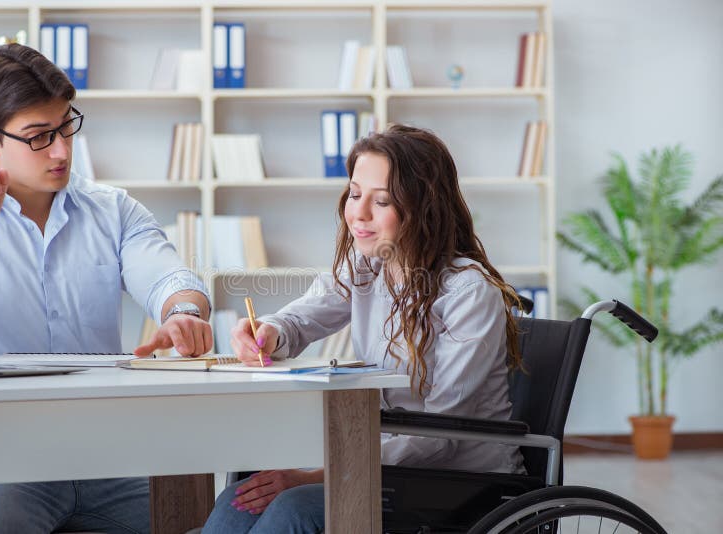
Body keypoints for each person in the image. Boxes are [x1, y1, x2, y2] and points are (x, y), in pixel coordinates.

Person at [0, 43, 212, 534]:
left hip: (107, 457)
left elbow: (170, 278)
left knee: (199, 509)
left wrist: (182, 312)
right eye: (39, 137)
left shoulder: (113, 210)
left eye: (65, 127)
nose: (61, 150)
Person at [201, 124, 526, 534]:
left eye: (383, 200)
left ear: (424, 206)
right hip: (384, 464)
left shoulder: (467, 292)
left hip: (458, 480)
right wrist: (269, 331)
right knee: (239, 501)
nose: (359, 213)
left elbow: (440, 436)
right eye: (355, 195)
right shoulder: (367, 264)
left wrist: (315, 475)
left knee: (294, 507)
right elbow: (302, 318)